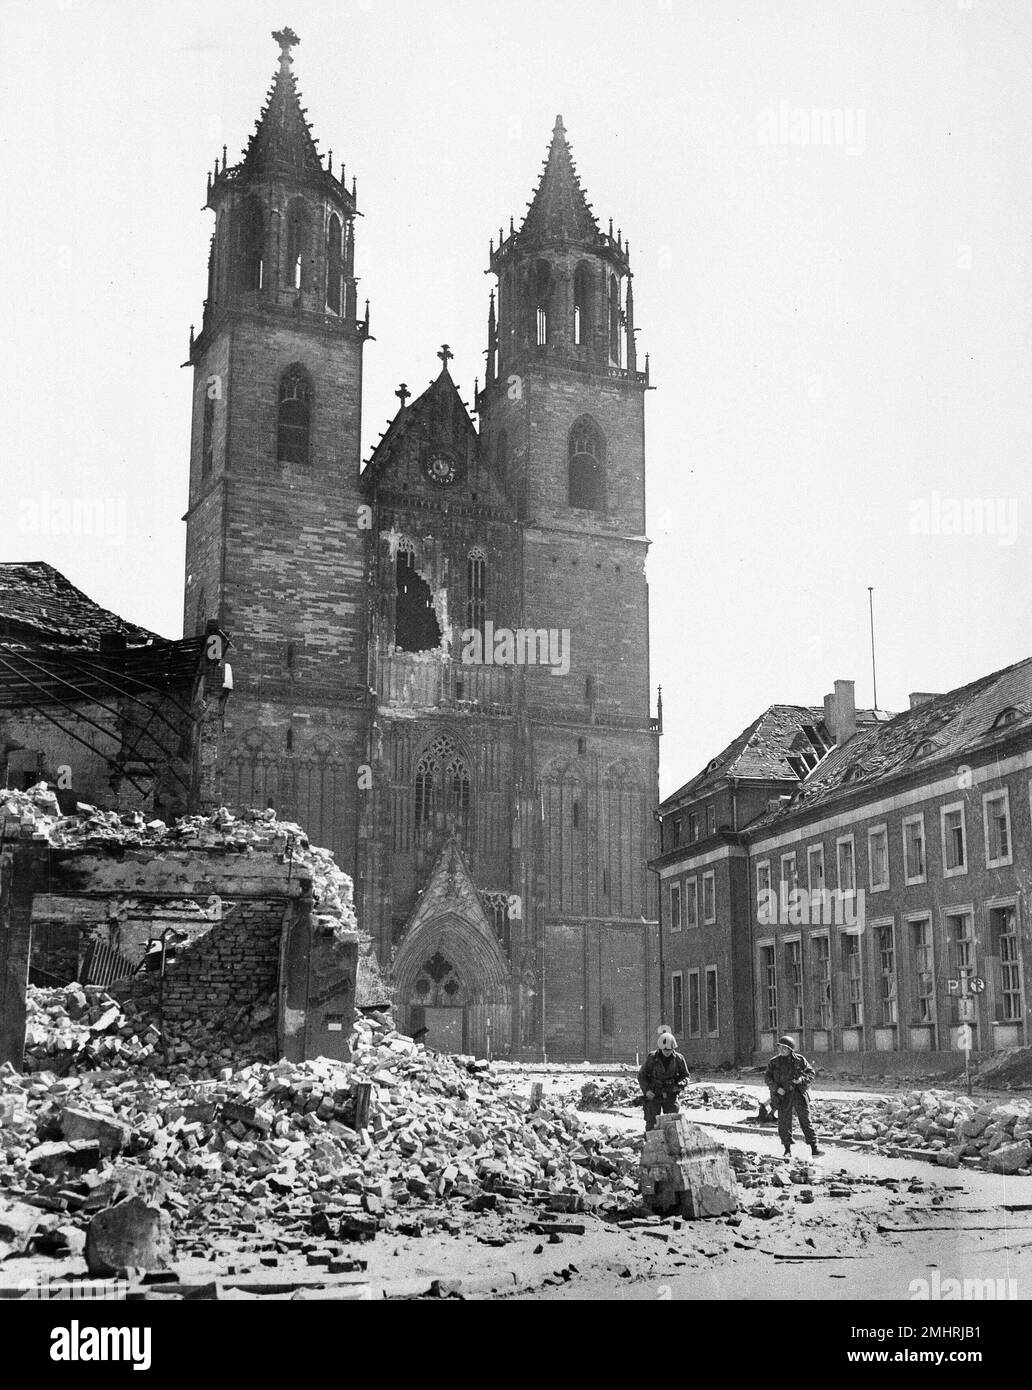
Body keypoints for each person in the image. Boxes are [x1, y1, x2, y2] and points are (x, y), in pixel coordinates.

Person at [765, 1034, 824, 1158]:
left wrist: (801, 1080)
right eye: (780, 1048)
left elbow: (811, 1073)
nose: (781, 1050)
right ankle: (787, 1150)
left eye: (784, 1048)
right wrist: (777, 1088)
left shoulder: (799, 1060)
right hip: (783, 1096)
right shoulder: (774, 1062)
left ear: (791, 1050)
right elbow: (767, 1078)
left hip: (798, 1094)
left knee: (805, 1121)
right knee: (784, 1123)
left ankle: (814, 1148)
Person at [638, 1031, 690, 1131]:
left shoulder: (679, 1059)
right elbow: (641, 1076)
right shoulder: (652, 1058)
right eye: (665, 1049)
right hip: (654, 1094)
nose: (667, 1052)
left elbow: (686, 1076)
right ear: (660, 1048)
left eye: (670, 1049)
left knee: (672, 1124)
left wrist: (680, 1084)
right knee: (652, 1123)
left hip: (670, 1094)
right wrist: (647, 1091)